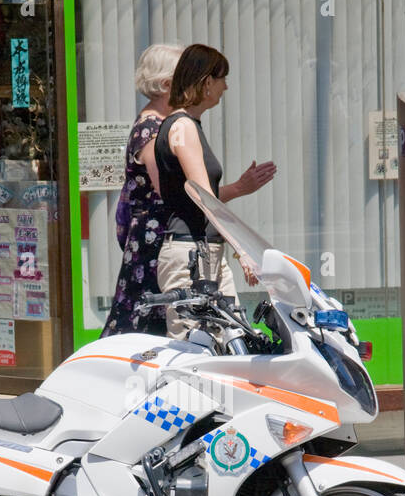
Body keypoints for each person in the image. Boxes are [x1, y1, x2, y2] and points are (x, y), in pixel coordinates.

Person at [153, 44, 276, 338]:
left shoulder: (189, 125)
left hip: (204, 251)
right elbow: (204, 199)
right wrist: (243, 250)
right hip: (190, 254)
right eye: (222, 79)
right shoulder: (182, 126)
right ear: (207, 82)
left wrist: (239, 188)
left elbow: (197, 197)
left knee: (230, 341)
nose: (226, 87)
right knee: (195, 348)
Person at [101, 44, 184, 337]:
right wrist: (234, 190)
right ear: (166, 85)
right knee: (143, 322)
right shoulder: (152, 129)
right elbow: (170, 190)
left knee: (144, 317)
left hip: (154, 237)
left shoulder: (159, 124)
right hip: (153, 241)